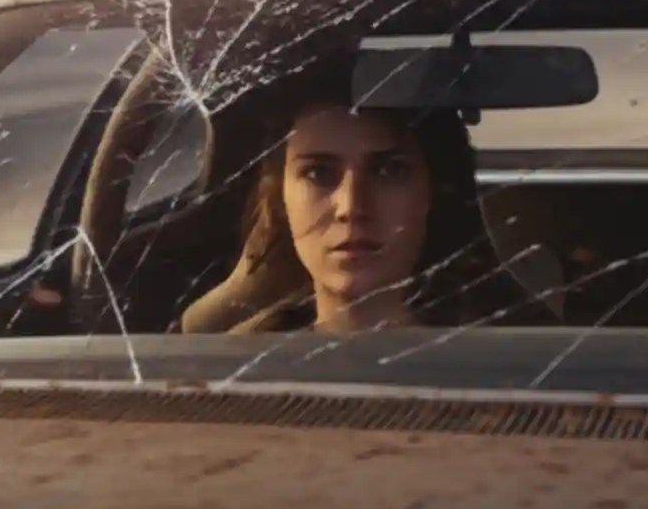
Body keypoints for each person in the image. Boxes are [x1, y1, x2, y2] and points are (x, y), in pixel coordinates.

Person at [181, 55, 552, 334]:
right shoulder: (225, 374)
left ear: (431, 193)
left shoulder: (517, 373)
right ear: (280, 200)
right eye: (319, 174)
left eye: (389, 172)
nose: (351, 207)